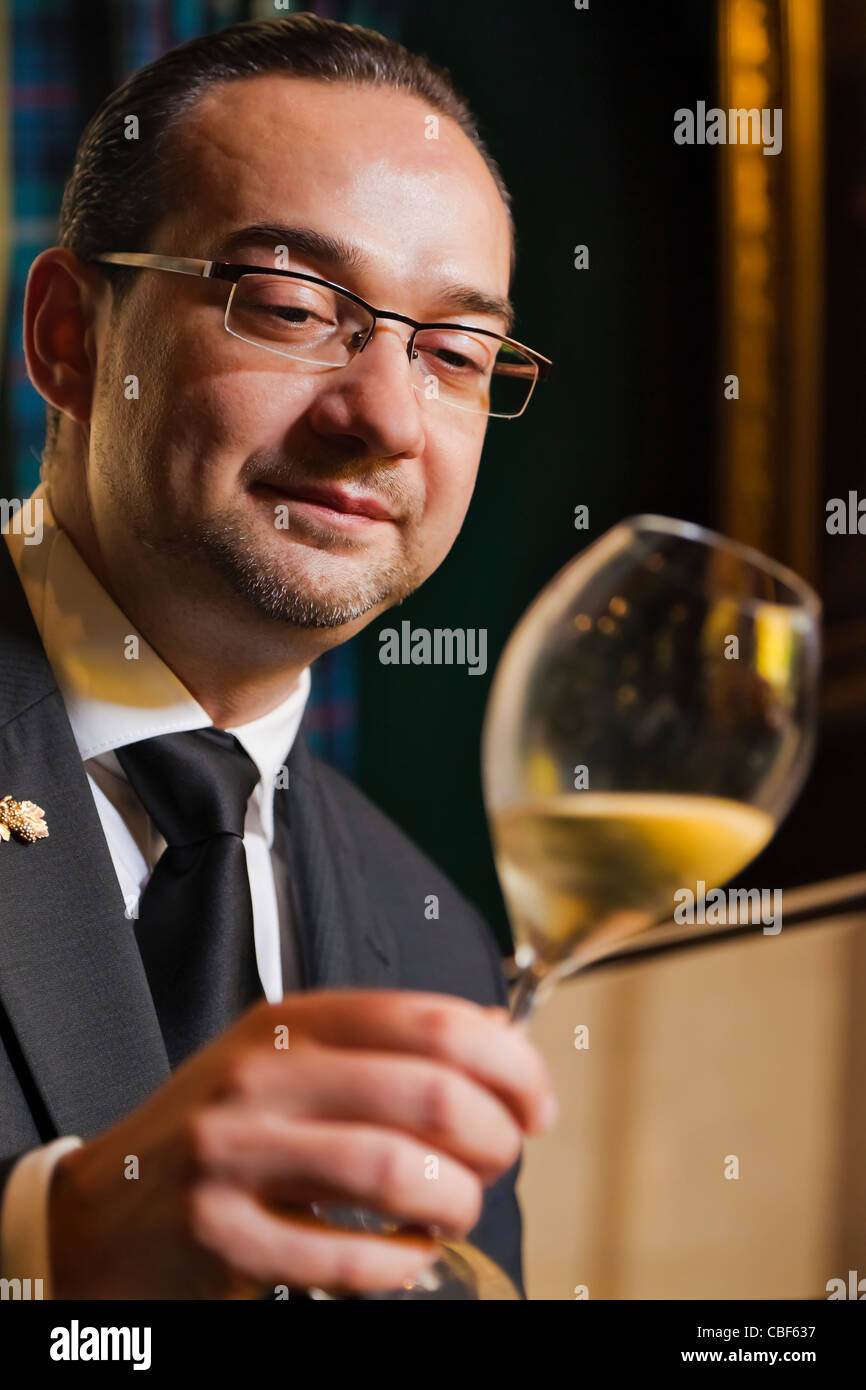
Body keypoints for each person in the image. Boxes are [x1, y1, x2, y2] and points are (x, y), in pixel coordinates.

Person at [0, 12, 556, 1300]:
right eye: (296, 307)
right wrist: (51, 1253)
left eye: (455, 354)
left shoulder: (441, 953)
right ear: (71, 340)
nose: (384, 418)